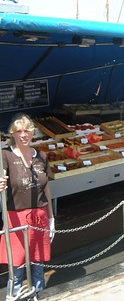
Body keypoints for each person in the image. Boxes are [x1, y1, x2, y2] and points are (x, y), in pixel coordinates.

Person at [0, 113, 55, 299]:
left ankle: (37, 294)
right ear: (13, 134)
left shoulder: (41, 156)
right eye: (19, 131)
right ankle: (15, 296)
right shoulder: (5, 155)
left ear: (33, 133)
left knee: (38, 261)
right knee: (17, 263)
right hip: (16, 216)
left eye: (27, 130)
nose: (24, 135)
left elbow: (46, 187)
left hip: (39, 215)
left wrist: (52, 217)